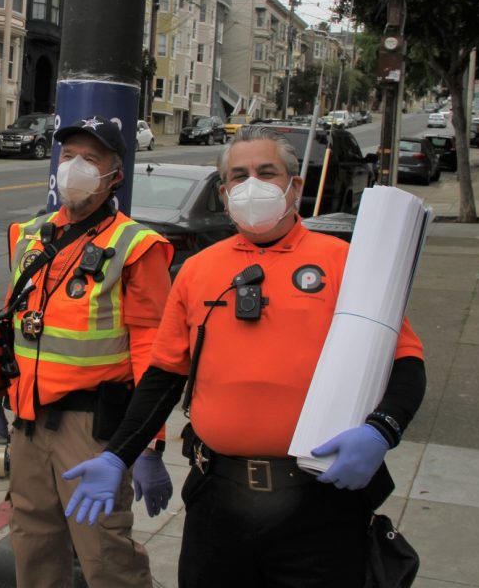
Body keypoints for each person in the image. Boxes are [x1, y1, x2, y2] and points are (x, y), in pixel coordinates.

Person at [63, 126, 427, 587]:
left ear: (295, 186)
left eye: (266, 172)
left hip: (319, 503)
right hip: (218, 500)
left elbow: (407, 364)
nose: (251, 185)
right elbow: (164, 376)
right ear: (223, 191)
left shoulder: (344, 263)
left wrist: (382, 431)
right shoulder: (197, 271)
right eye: (238, 175)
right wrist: (119, 455)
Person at [0, 115, 175, 587]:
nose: (76, 167)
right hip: (27, 424)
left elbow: (153, 350)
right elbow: (11, 328)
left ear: (115, 175)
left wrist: (151, 444)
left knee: (106, 556)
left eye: (92, 158)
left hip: (92, 431)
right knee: (33, 546)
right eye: (68, 157)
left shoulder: (136, 246)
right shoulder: (28, 235)